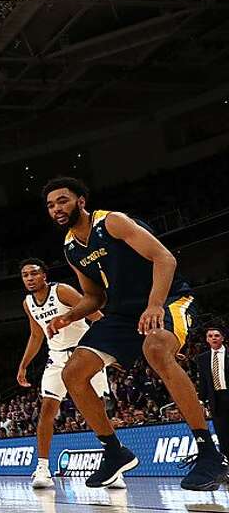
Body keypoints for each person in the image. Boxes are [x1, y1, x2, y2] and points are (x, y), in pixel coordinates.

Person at [42, 176, 227, 490]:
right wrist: (70, 316)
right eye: (50, 205)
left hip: (168, 299)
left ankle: (210, 452)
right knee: (73, 373)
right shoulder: (70, 247)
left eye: (63, 200)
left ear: (81, 201)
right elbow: (94, 296)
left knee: (155, 349)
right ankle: (114, 452)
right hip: (123, 313)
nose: (57, 208)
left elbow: (164, 258)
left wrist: (155, 304)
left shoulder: (112, 223)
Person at [14, 257, 115, 489]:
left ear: (44, 275)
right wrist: (23, 365)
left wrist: (106, 348)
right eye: (25, 275)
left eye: (34, 273)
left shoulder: (62, 291)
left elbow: (96, 316)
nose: (29, 278)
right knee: (46, 410)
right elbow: (36, 335)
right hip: (57, 357)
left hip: (84, 354)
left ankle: (113, 463)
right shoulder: (27, 303)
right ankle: (42, 468)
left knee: (98, 410)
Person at [196, 327, 229, 460]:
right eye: (210, 336)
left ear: (222, 338)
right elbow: (203, 381)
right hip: (216, 400)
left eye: (216, 335)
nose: (213, 338)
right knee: (222, 435)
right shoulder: (202, 358)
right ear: (207, 339)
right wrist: (201, 401)